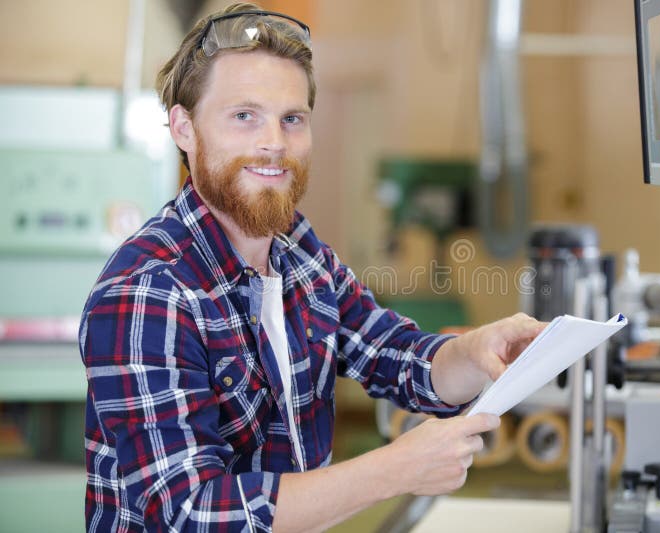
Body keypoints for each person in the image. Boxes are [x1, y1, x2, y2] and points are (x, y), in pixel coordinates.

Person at [80, 3, 544, 532]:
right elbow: (192, 514)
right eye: (244, 116)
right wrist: (395, 469)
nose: (274, 143)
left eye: (292, 119)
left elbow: (392, 354)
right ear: (184, 127)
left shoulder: (297, 248)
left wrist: (475, 349)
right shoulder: (149, 290)